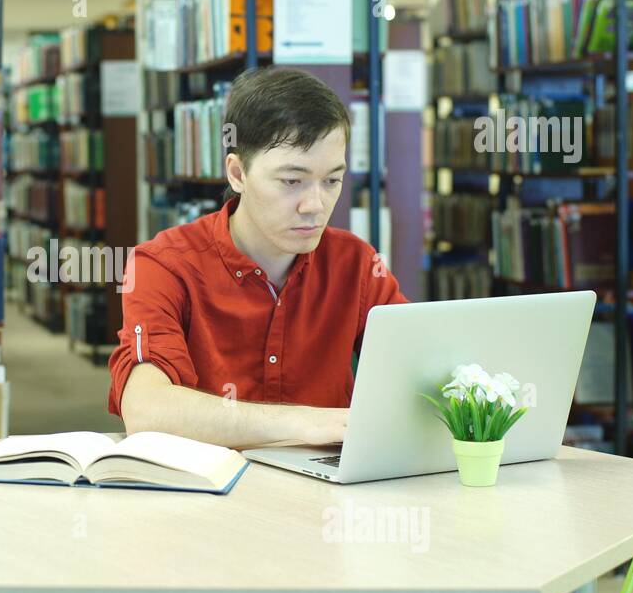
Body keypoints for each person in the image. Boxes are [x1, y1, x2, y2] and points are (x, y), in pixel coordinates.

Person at [108, 67, 408, 449]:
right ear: (237, 173)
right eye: (291, 181)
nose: (315, 205)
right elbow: (147, 412)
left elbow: (419, 378)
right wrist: (302, 422)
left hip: (327, 500)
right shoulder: (163, 265)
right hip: (207, 496)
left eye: (332, 180)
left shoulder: (358, 265)